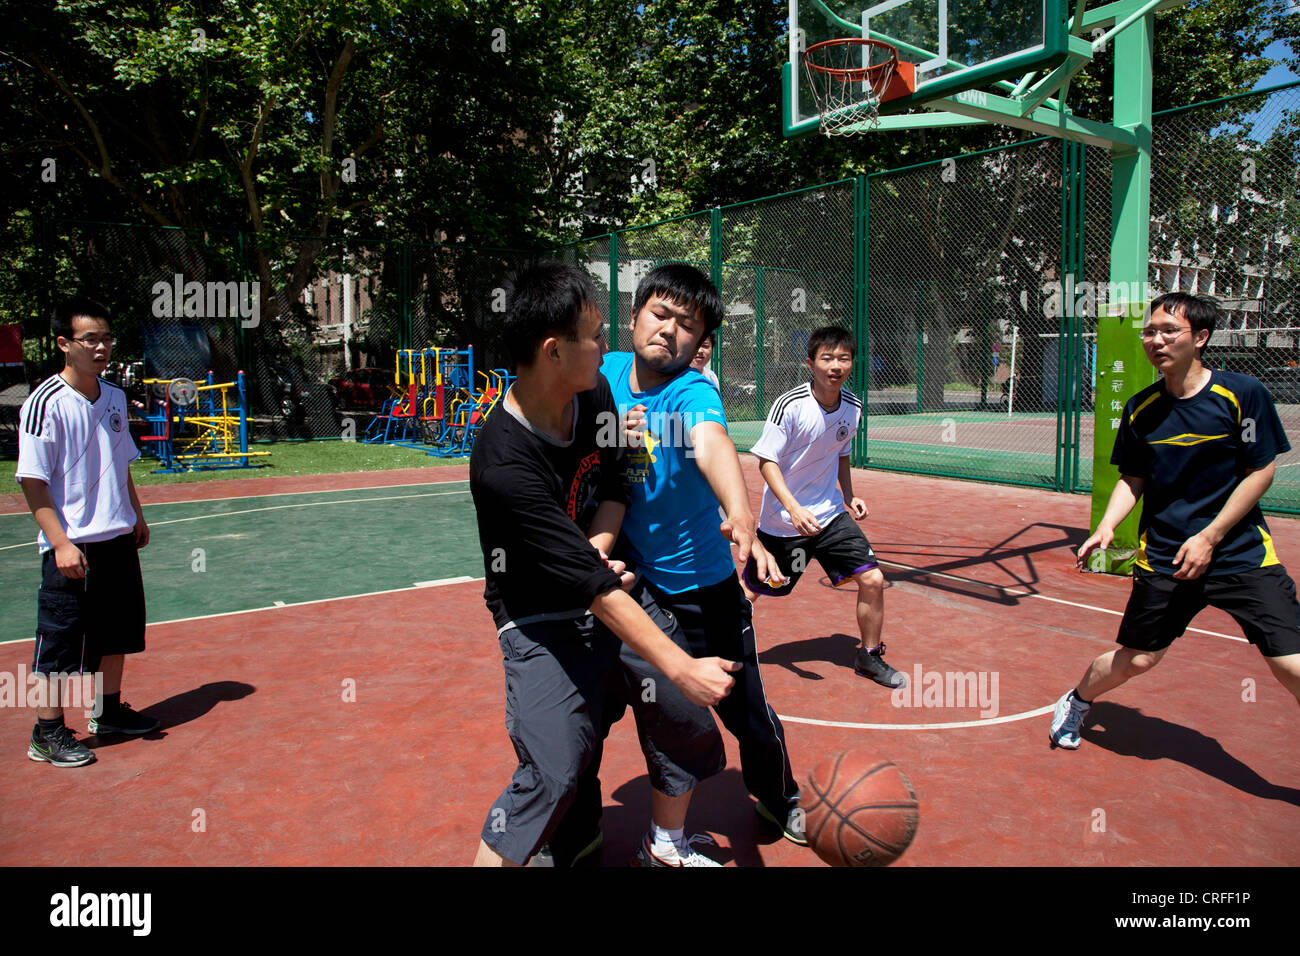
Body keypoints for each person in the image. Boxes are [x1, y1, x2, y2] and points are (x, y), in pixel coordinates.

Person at [468, 261, 738, 867]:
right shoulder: (502, 463)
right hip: (536, 613)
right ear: (554, 351)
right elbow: (586, 584)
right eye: (592, 336)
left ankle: (665, 845)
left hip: (599, 576)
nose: (605, 346)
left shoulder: (593, 392)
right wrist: (682, 663)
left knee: (681, 711)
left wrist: (599, 544)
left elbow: (616, 479)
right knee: (556, 768)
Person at [601, 263, 802, 867]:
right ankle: (585, 825)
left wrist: (740, 511)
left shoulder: (693, 391)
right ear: (634, 315)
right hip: (634, 583)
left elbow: (713, 441)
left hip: (704, 586)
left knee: (747, 713)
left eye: (687, 326)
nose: (669, 331)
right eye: (660, 314)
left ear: (701, 342)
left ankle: (778, 795)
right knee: (603, 707)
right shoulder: (602, 374)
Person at [1051, 292, 1300, 749]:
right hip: (1165, 557)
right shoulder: (1141, 409)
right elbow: (1133, 478)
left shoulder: (1243, 393)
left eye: (1169, 331)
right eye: (1150, 331)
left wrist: (1210, 535)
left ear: (1200, 337)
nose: (1156, 340)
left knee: (1292, 665)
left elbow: (1260, 471)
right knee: (1139, 660)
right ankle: (1077, 699)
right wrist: (1107, 525)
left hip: (1240, 554)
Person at [16, 296, 159, 768]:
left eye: (106, 339)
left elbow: (122, 466)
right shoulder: (44, 404)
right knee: (59, 643)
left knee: (116, 634)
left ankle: (108, 710)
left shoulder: (115, 397)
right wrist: (59, 542)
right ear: (64, 343)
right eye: (90, 339)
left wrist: (135, 515)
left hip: (116, 538)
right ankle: (48, 731)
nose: (101, 348)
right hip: (72, 546)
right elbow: (33, 482)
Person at [741, 326, 904, 689]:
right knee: (756, 589)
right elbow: (766, 461)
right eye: (827, 358)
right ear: (810, 362)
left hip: (830, 516)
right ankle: (717, 642)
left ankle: (869, 656)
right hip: (785, 522)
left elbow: (840, 453)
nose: (835, 365)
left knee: (873, 579)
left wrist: (849, 494)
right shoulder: (790, 406)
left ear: (852, 363)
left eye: (843, 358)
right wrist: (794, 508)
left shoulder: (853, 407)